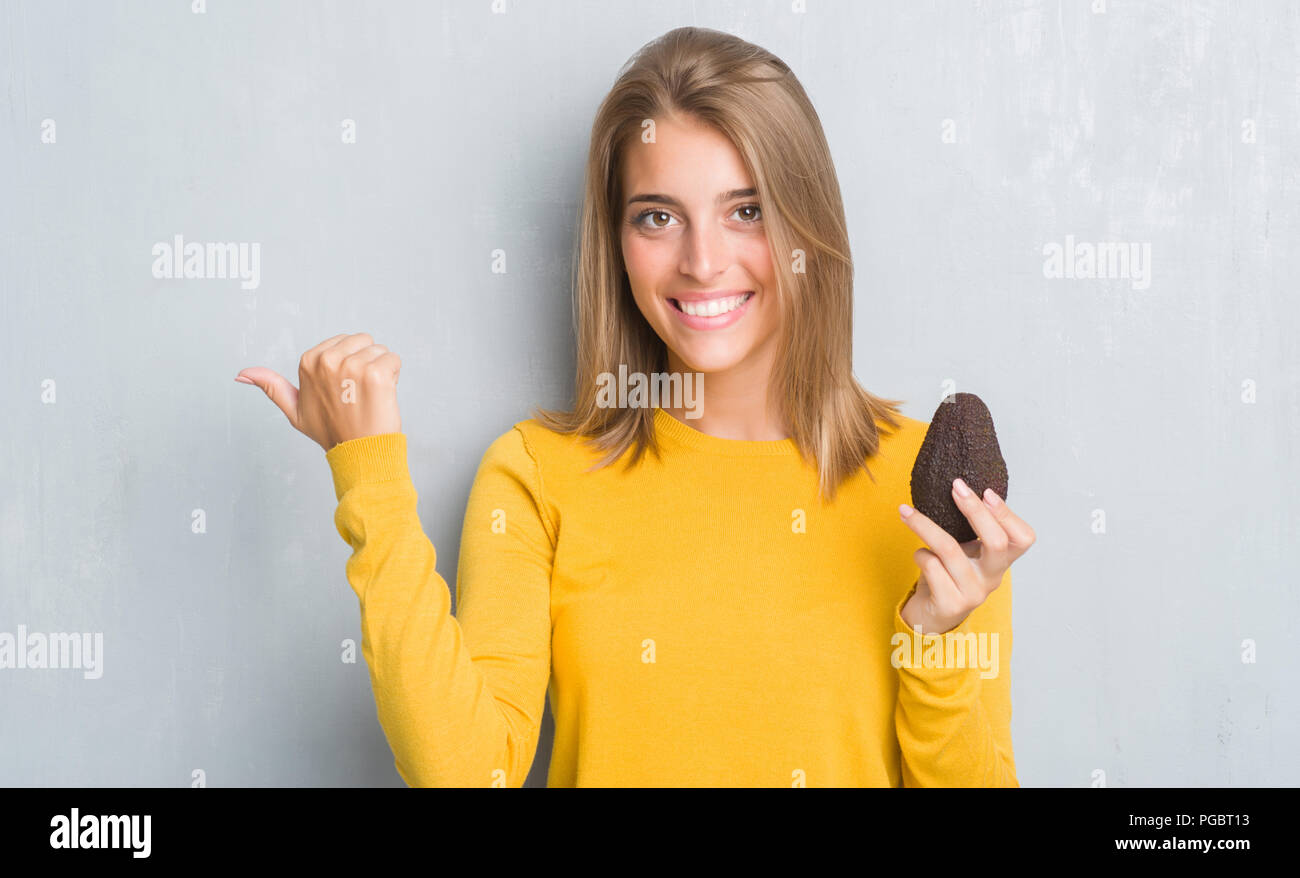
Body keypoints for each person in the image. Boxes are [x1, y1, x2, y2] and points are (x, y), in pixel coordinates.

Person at [236, 26, 1036, 787]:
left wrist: (937, 637)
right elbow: (463, 772)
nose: (702, 261)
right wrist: (369, 478)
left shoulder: (927, 493)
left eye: (746, 210)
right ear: (615, 243)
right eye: (658, 216)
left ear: (808, 225)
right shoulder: (538, 474)